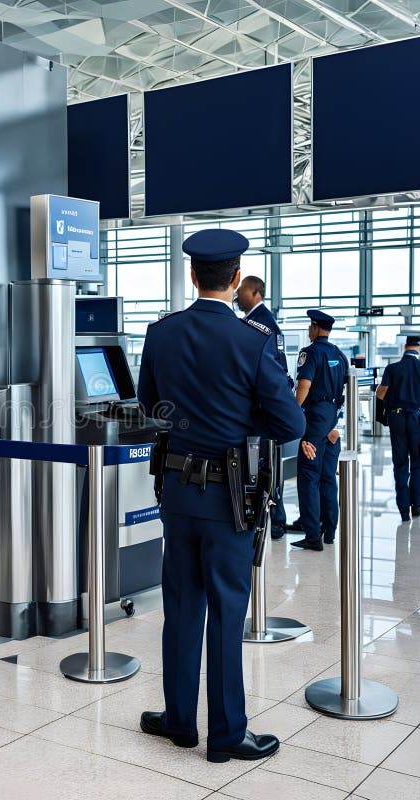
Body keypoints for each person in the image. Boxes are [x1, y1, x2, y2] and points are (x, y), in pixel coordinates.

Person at [137, 229, 305, 763]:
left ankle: (181, 721)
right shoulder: (253, 341)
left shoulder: (160, 334)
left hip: (177, 493)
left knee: (182, 605)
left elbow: (149, 405)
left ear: (193, 275)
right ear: (236, 281)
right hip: (230, 498)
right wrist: (240, 415)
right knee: (227, 611)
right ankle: (227, 734)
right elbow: (289, 421)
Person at [235, 275, 292, 538]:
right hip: (264, 410)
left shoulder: (257, 325)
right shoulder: (268, 323)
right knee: (267, 466)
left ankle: (272, 520)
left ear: (256, 293)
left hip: (257, 412)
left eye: (242, 292)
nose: (237, 296)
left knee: (261, 467)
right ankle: (275, 520)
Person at [291, 310, 348, 552]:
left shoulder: (310, 352)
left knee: (309, 477)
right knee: (327, 478)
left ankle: (312, 535)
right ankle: (329, 531)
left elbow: (304, 386)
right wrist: (333, 424)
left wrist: (293, 415)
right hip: (331, 418)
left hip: (314, 418)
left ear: (314, 327)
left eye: (309, 326)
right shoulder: (339, 354)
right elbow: (346, 388)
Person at [376, 336, 420, 521]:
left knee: (400, 463)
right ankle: (416, 504)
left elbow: (381, 392)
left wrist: (382, 414)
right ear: (418, 348)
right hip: (416, 419)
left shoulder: (392, 368)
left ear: (404, 347)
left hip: (397, 418)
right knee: (418, 462)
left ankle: (403, 509)